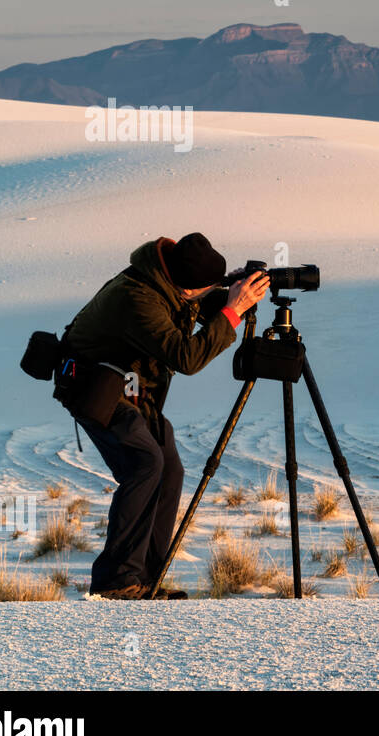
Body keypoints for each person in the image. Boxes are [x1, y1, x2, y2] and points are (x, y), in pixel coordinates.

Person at [62, 233, 269, 599]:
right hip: (93, 388)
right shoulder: (137, 297)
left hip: (128, 390)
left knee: (169, 469)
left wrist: (233, 294)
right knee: (144, 462)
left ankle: (147, 578)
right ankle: (117, 581)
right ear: (186, 285)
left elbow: (197, 305)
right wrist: (233, 309)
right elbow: (185, 357)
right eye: (203, 288)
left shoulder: (167, 281)